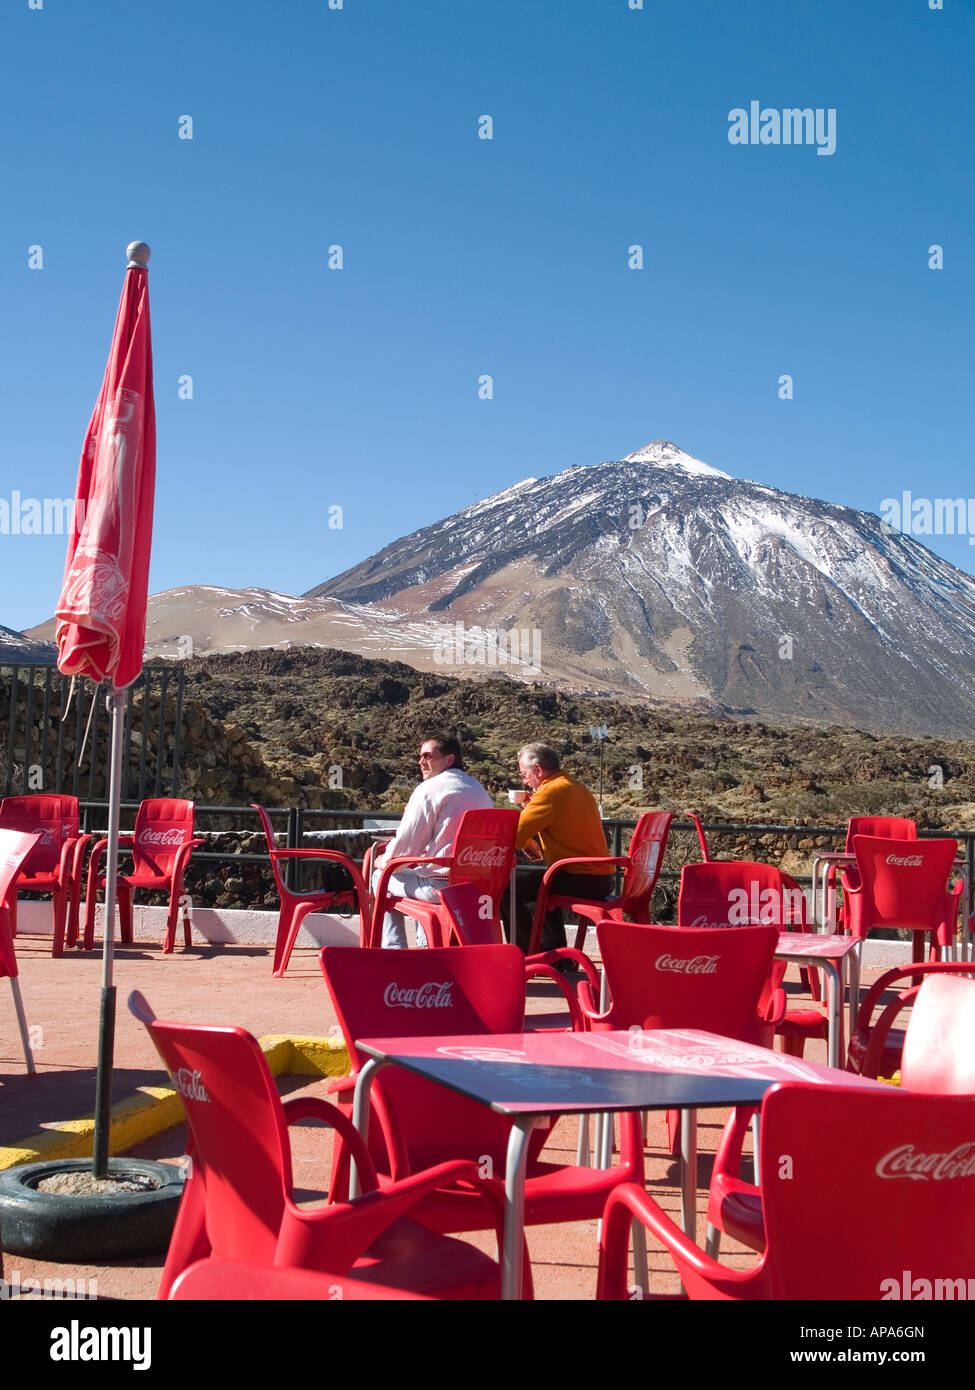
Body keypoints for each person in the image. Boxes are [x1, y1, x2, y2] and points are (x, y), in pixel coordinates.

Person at [373, 733, 493, 948]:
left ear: (449, 759)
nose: (421, 761)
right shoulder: (478, 788)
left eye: (428, 755)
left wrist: (383, 860)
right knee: (417, 872)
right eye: (420, 756)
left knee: (380, 877)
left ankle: (394, 950)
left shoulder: (429, 790)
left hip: (441, 886)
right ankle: (426, 945)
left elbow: (404, 849)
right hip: (478, 886)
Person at [503, 743, 614, 955]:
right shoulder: (575, 787)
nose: (523, 780)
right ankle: (556, 954)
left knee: (508, 888)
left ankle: (527, 954)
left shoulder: (549, 794)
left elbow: (512, 836)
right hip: (602, 878)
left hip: (580, 878)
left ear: (538, 770)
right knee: (544, 883)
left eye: (524, 774)